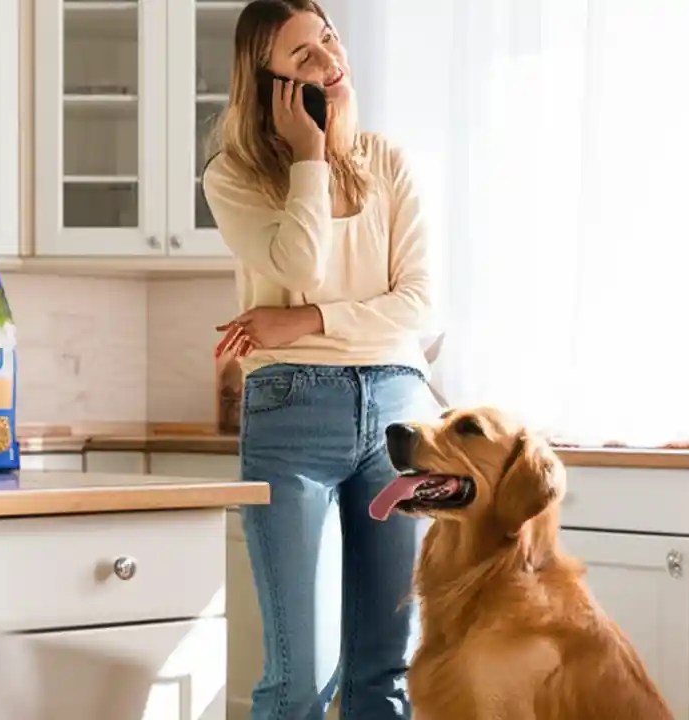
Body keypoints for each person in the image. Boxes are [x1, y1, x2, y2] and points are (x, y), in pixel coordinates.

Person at [201, 1, 440, 718]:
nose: (329, 61)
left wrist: (304, 319)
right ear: (267, 82)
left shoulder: (387, 161)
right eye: (302, 56)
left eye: (328, 40)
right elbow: (300, 262)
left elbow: (418, 303)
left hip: (399, 412)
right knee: (301, 677)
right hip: (293, 415)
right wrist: (310, 154)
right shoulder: (234, 176)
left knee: (385, 670)